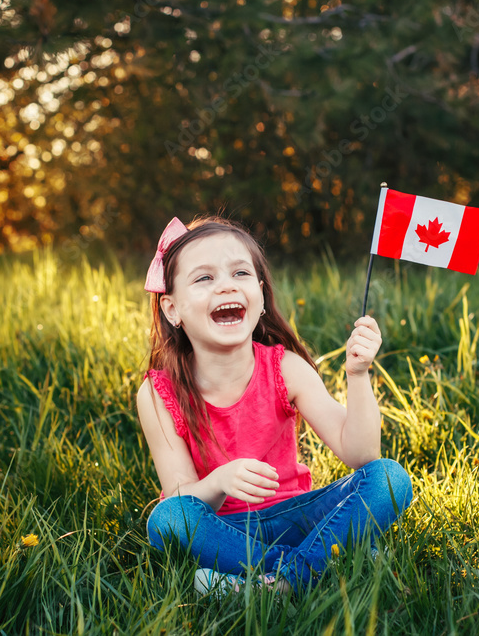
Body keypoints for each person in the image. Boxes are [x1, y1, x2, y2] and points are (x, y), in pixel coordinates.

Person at [137, 215, 413, 598]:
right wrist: (219, 481)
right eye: (204, 278)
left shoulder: (286, 367)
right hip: (223, 528)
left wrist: (358, 374)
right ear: (172, 309)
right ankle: (329, 561)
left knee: (388, 478)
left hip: (297, 515)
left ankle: (274, 584)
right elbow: (181, 494)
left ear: (261, 295)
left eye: (240, 273)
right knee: (168, 520)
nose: (226, 286)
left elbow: (360, 454)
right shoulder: (158, 393)